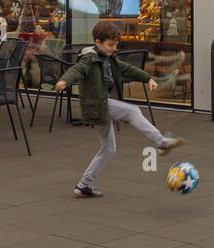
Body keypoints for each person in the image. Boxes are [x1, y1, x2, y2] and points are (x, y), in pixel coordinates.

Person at [55, 22, 184, 197]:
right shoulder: (89, 58)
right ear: (98, 42)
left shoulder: (110, 57)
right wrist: (64, 81)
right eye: (110, 45)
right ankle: (161, 142)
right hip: (98, 104)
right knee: (132, 111)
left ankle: (83, 185)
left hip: (101, 106)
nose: (113, 48)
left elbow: (126, 68)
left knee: (109, 149)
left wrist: (147, 78)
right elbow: (76, 70)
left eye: (115, 44)